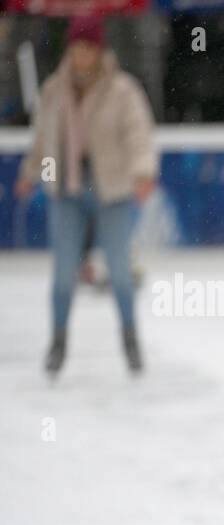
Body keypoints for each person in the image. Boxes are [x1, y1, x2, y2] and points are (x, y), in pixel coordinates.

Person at [15, 16, 157, 376]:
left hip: (112, 189)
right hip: (67, 191)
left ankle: (130, 339)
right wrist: (34, 175)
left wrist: (142, 172)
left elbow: (138, 134)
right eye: (76, 48)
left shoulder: (122, 90)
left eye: (88, 49)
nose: (82, 56)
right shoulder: (54, 90)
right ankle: (58, 342)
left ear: (99, 51)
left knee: (120, 272)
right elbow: (45, 142)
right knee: (63, 275)